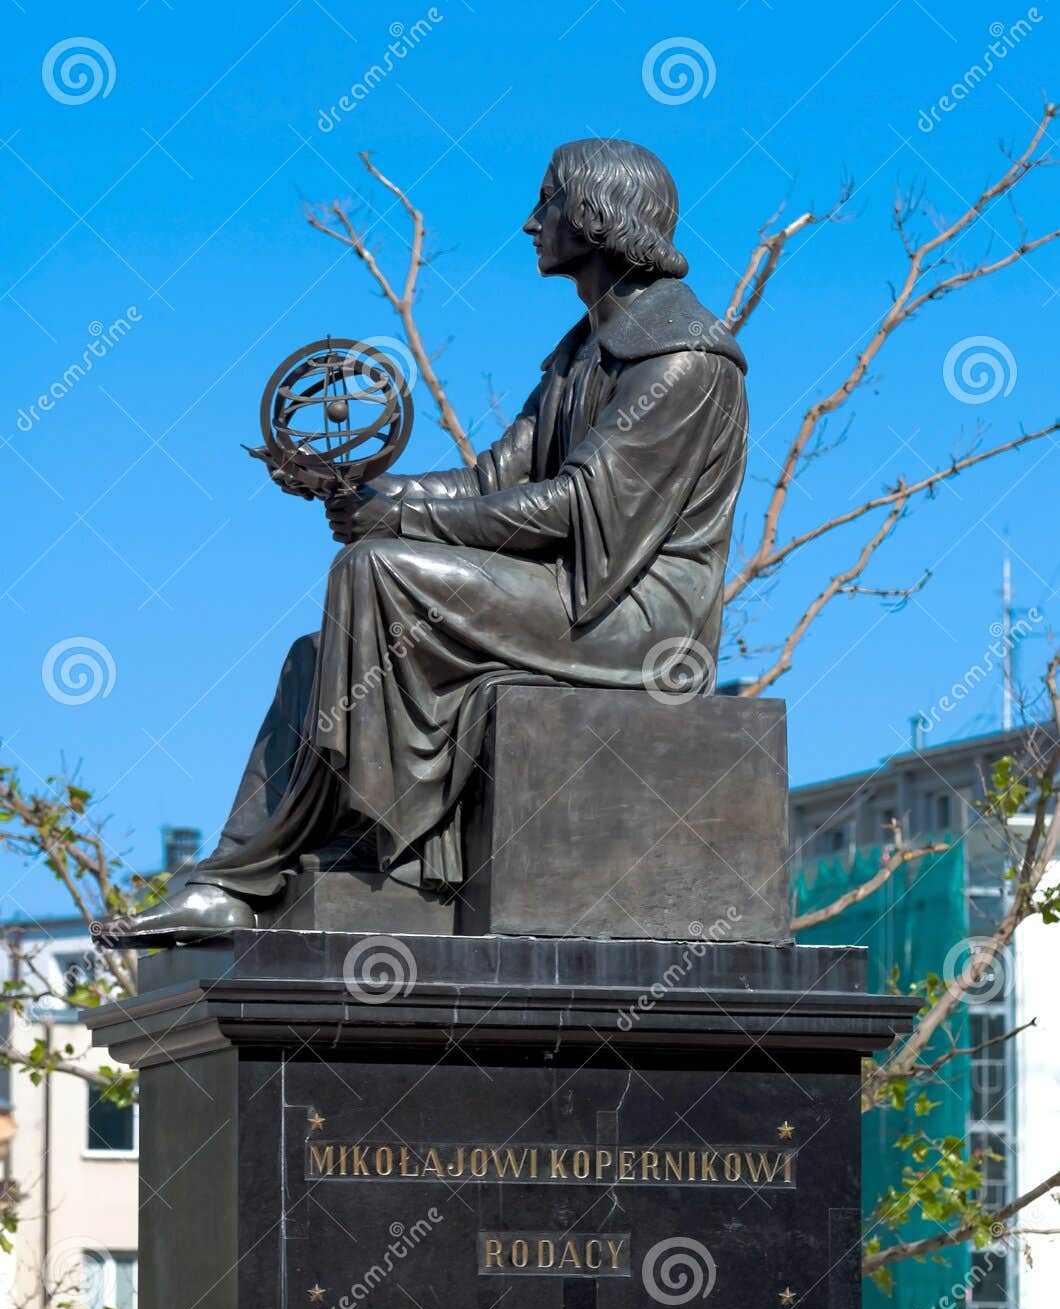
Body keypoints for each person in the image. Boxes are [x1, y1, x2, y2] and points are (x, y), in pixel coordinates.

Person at [102, 138, 747, 946]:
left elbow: (580, 506)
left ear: (594, 215)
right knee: (318, 656)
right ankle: (238, 879)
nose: (529, 222)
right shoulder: (584, 350)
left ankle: (376, 845)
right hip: (576, 595)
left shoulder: (682, 359)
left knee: (377, 570)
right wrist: (370, 491)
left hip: (638, 617)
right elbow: (491, 478)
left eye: (546, 201)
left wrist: (396, 522)